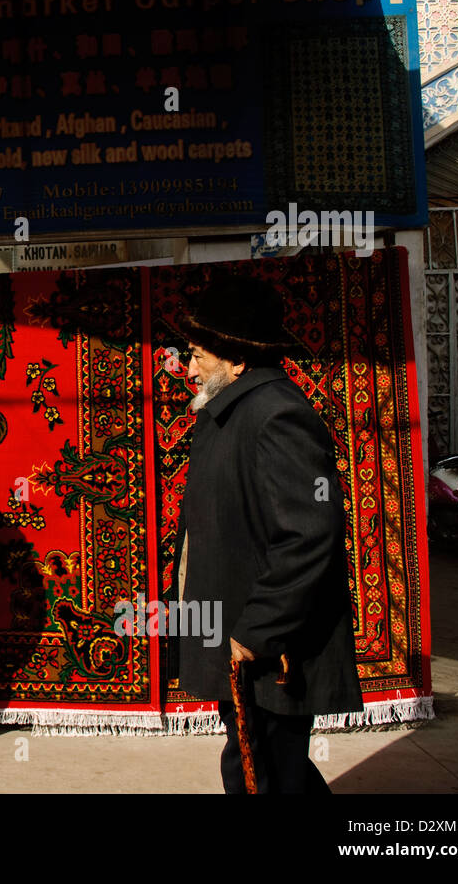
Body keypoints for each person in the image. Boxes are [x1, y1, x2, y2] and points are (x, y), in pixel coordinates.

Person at [175, 273, 363, 793]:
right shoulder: (230, 413)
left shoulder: (277, 414)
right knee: (268, 769)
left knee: (267, 773)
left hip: (269, 649)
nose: (188, 368)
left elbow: (309, 534)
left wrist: (256, 632)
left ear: (236, 358)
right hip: (240, 637)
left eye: (197, 355)